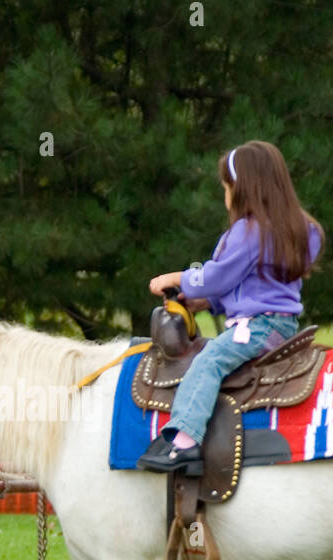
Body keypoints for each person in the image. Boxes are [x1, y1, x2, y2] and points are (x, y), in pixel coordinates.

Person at [138, 140, 323, 472]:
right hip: (282, 325)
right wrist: (205, 303)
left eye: (226, 186)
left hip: (255, 328)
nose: (225, 196)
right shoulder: (301, 230)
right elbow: (255, 283)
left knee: (208, 362)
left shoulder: (249, 232)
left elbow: (218, 277)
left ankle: (184, 441)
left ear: (242, 189)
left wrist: (178, 278)